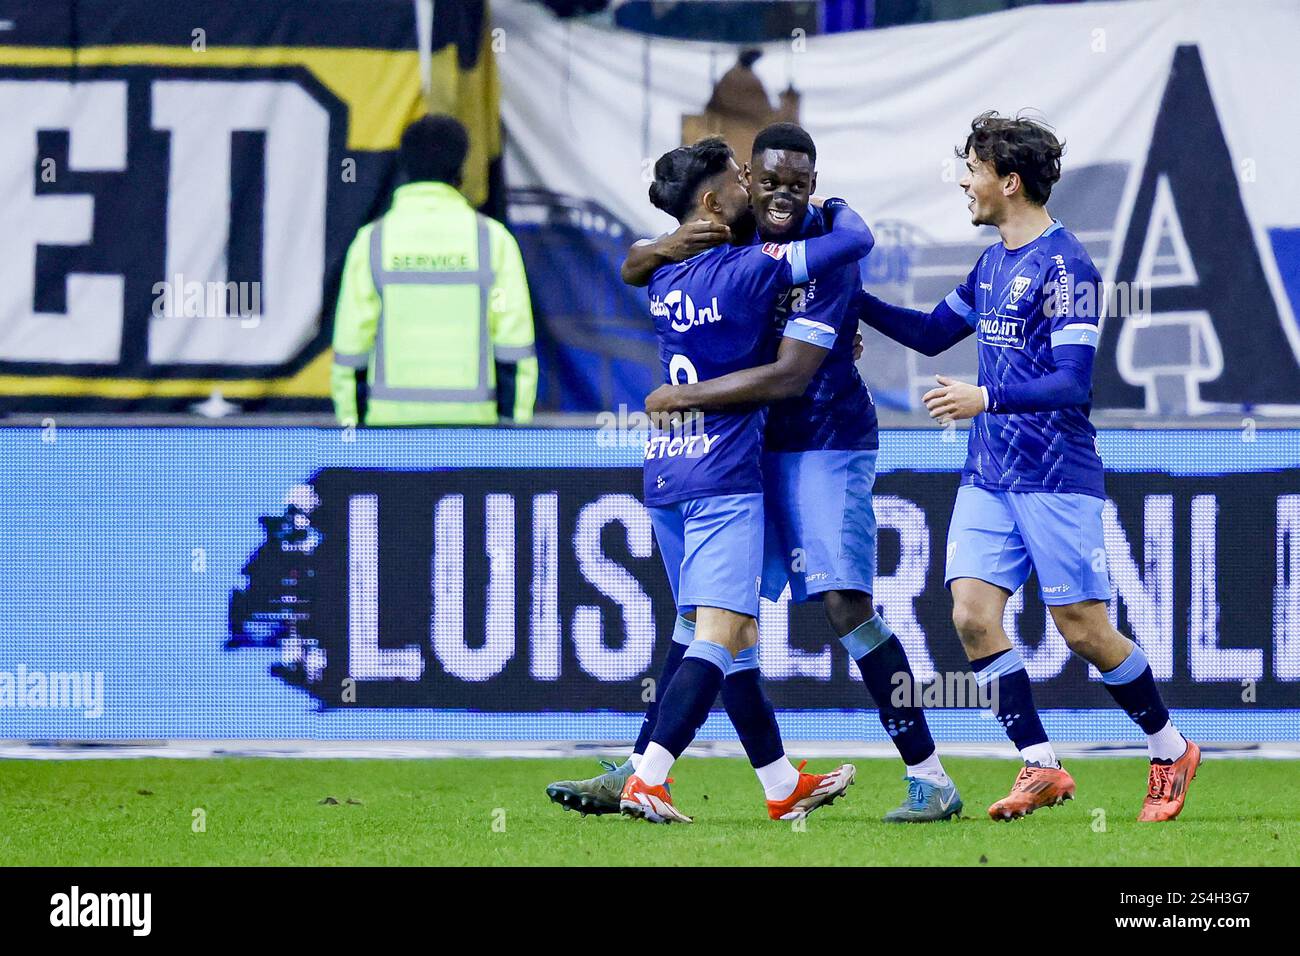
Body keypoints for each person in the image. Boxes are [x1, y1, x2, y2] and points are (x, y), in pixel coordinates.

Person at [853, 111, 1200, 822]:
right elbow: (927, 332)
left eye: (974, 169)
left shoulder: (1067, 267)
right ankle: (1040, 765)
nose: (964, 181)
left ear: (1009, 182)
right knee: (972, 617)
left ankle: (1169, 748)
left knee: (1082, 630)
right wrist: (846, 299)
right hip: (990, 476)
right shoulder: (991, 264)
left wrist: (985, 395)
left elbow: (1074, 382)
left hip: (1056, 476)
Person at [628, 123, 963, 823]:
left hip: (824, 438)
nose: (780, 195)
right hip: (748, 450)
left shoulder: (828, 254)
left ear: (814, 184)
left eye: (797, 184)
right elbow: (637, 263)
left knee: (843, 605)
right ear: (745, 179)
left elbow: (790, 375)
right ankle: (674, 770)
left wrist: (680, 395)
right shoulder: (731, 231)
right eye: (767, 180)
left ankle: (930, 776)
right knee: (718, 616)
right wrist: (659, 246)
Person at [617, 136, 874, 823]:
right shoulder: (749, 269)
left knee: (732, 640)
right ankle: (649, 776)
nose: (750, 186)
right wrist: (835, 203)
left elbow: (633, 265)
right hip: (724, 477)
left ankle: (779, 782)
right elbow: (850, 244)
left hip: (666, 473)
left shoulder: (666, 274)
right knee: (723, 631)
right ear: (710, 203)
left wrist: (661, 247)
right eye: (737, 177)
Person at [331, 114, 536, 427]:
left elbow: (351, 349)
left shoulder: (372, 241)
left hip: (387, 432)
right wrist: (513, 433)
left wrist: (352, 429)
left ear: (404, 164)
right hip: (475, 432)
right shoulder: (493, 241)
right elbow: (515, 348)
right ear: (461, 167)